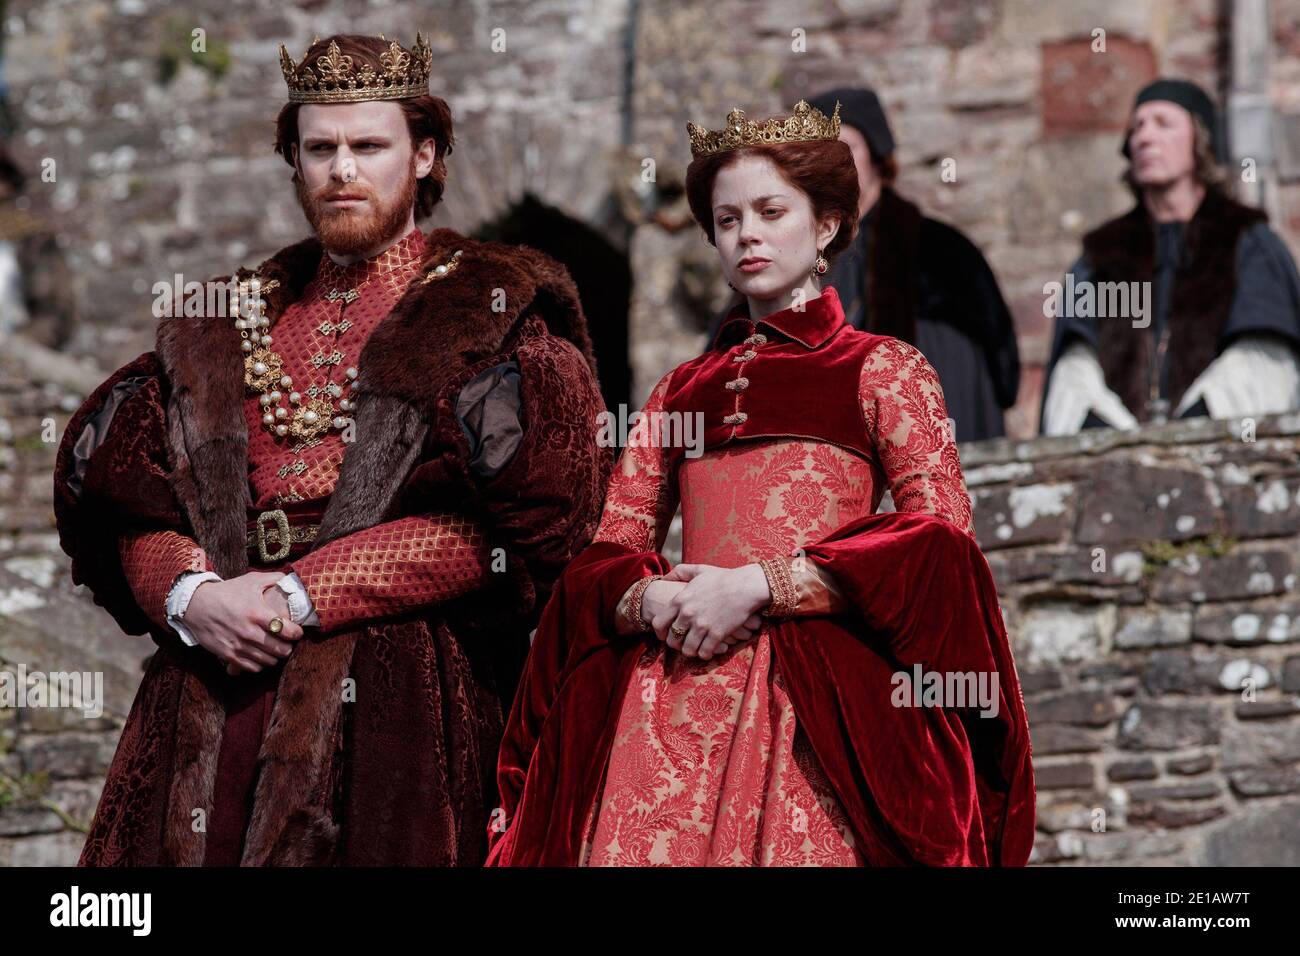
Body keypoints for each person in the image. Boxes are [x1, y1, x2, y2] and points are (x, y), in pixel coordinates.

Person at [52, 33, 611, 866]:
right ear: (294, 159)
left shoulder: (488, 311)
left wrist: (305, 592)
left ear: (423, 155)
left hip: (402, 711)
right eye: (320, 148)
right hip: (210, 695)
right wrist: (191, 594)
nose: (341, 169)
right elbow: (122, 500)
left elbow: (520, 527)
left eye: (367, 146)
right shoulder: (220, 323)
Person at [486, 101, 1035, 867]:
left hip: (824, 701)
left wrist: (761, 586)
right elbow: (605, 553)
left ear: (827, 227)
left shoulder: (882, 368)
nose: (747, 233)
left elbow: (941, 547)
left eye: (772, 211)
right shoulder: (679, 391)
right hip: (670, 695)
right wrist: (660, 598)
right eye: (727, 218)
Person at [706, 88, 1021, 443]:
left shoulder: (940, 250)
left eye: (847, 147)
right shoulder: (781, 253)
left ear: (876, 155)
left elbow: (997, 356)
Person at [1041, 78, 1300, 435]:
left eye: (1163, 124)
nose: (1144, 138)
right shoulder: (1103, 255)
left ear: (1200, 139)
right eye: (1137, 128)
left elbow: (1264, 358)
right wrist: (1115, 438)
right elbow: (1074, 372)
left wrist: (1192, 429)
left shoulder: (1245, 241)